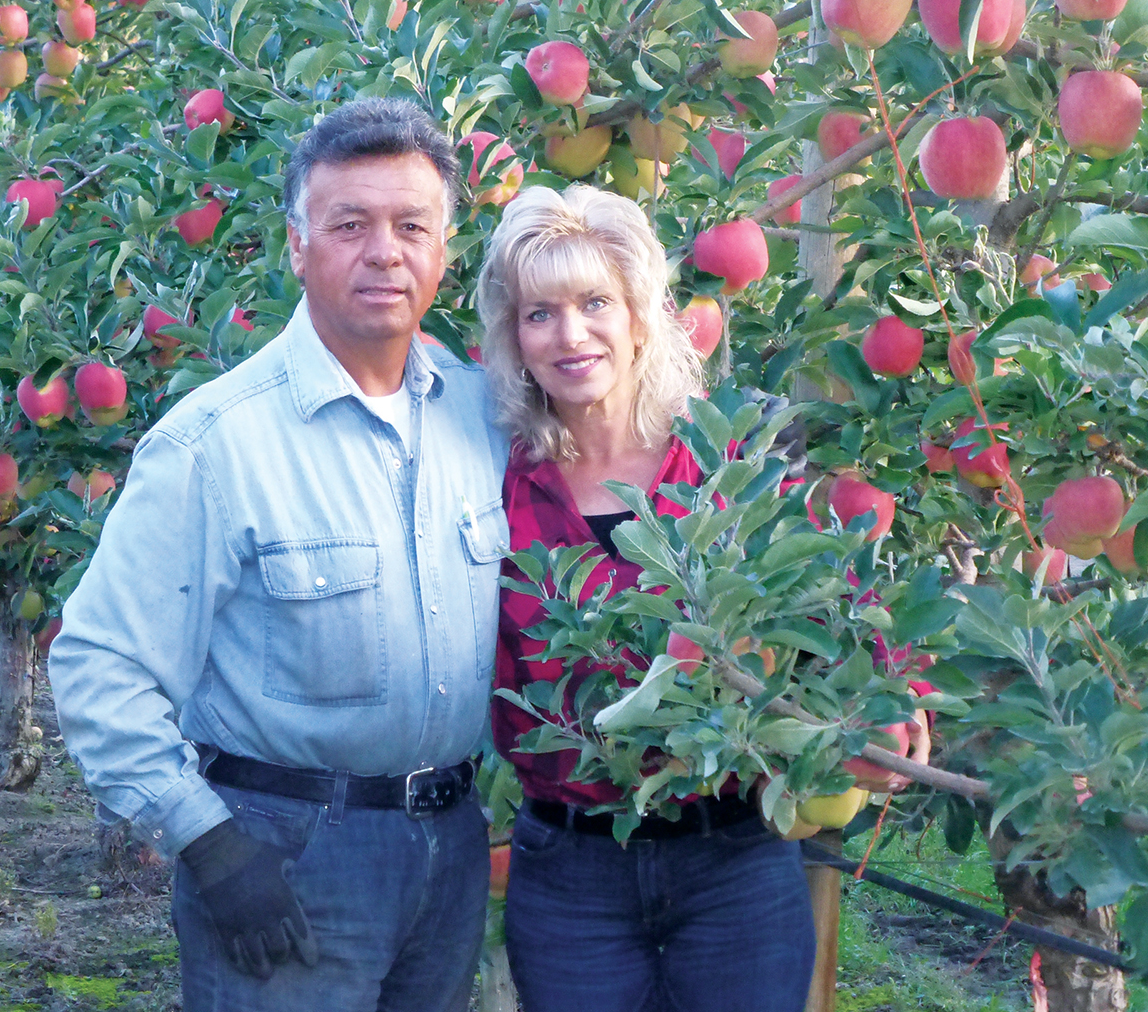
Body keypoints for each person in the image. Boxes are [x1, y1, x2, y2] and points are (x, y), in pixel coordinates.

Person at [48, 97, 509, 1012]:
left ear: (444, 250)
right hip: (287, 853)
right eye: (350, 225)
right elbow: (100, 665)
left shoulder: (485, 417)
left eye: (411, 226)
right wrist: (210, 844)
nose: (384, 252)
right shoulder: (214, 445)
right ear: (298, 246)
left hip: (451, 846)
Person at [475, 183, 819, 1012]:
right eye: (540, 313)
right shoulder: (493, 478)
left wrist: (893, 691)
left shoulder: (728, 456)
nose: (571, 334)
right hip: (570, 870)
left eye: (595, 302)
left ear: (641, 315)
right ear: (515, 338)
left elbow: (830, 599)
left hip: (732, 856)